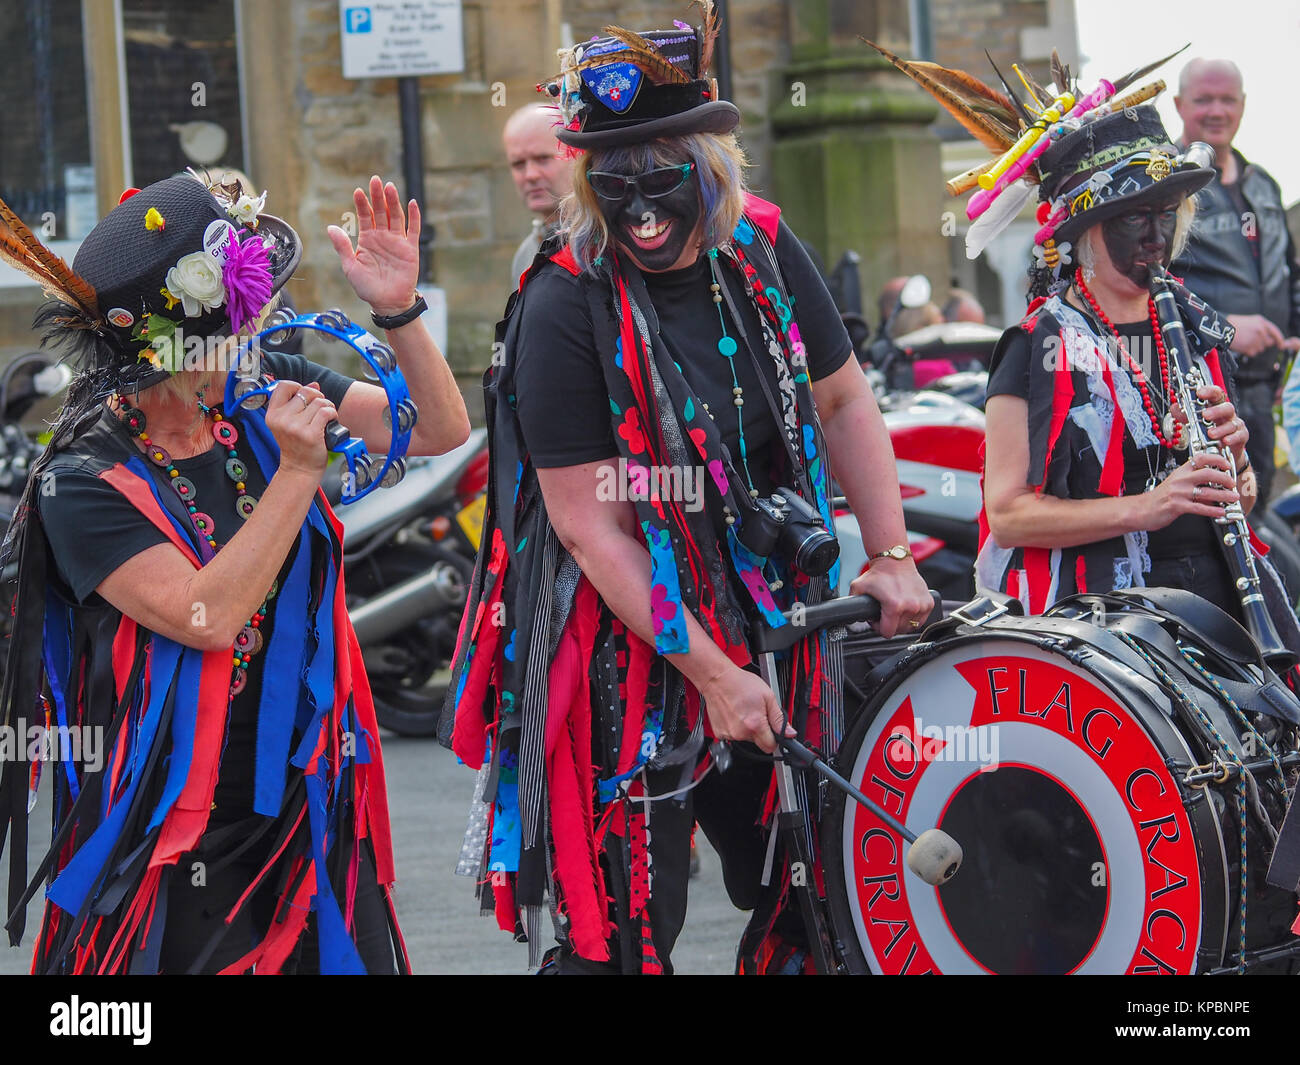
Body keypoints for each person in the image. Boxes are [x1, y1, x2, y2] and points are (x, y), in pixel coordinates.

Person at [442, 8, 930, 974]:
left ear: (710, 163)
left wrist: (889, 553)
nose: (640, 199)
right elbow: (588, 525)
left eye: (661, 163)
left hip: (769, 609)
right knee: (624, 918)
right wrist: (710, 672)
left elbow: (839, 397)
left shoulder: (758, 245)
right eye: (611, 174)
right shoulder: (559, 303)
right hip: (623, 647)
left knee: (812, 881)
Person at [0, 172, 470, 973]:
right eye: (240, 321)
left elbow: (434, 428)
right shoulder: (80, 478)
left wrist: (398, 310)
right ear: (171, 352)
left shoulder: (256, 387)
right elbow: (202, 615)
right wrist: (295, 473)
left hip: (303, 794)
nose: (259, 331)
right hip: (167, 827)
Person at [978, 105, 1258, 612]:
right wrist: (1147, 508)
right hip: (1109, 618)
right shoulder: (1038, 344)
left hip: (1219, 602)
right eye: (1133, 217)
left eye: (1167, 214)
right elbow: (1008, 516)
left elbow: (1245, 498)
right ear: (1087, 230)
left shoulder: (1194, 326)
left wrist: (1237, 461)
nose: (1157, 239)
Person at [1171, 58, 1300, 507]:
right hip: (1203, 390)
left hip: (1266, 386)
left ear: (1243, 105)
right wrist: (1224, 327)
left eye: (1227, 99)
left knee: (1259, 510)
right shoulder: (1165, 183)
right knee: (1219, 515)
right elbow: (1147, 282)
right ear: (1179, 105)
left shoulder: (1263, 184)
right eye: (1203, 99)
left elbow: (1288, 270)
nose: (1216, 111)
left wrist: (1294, 338)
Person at [503, 103, 574, 283]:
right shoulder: (525, 255)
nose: (531, 175)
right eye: (519, 164)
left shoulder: (607, 242)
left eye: (543, 159)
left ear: (576, 154)